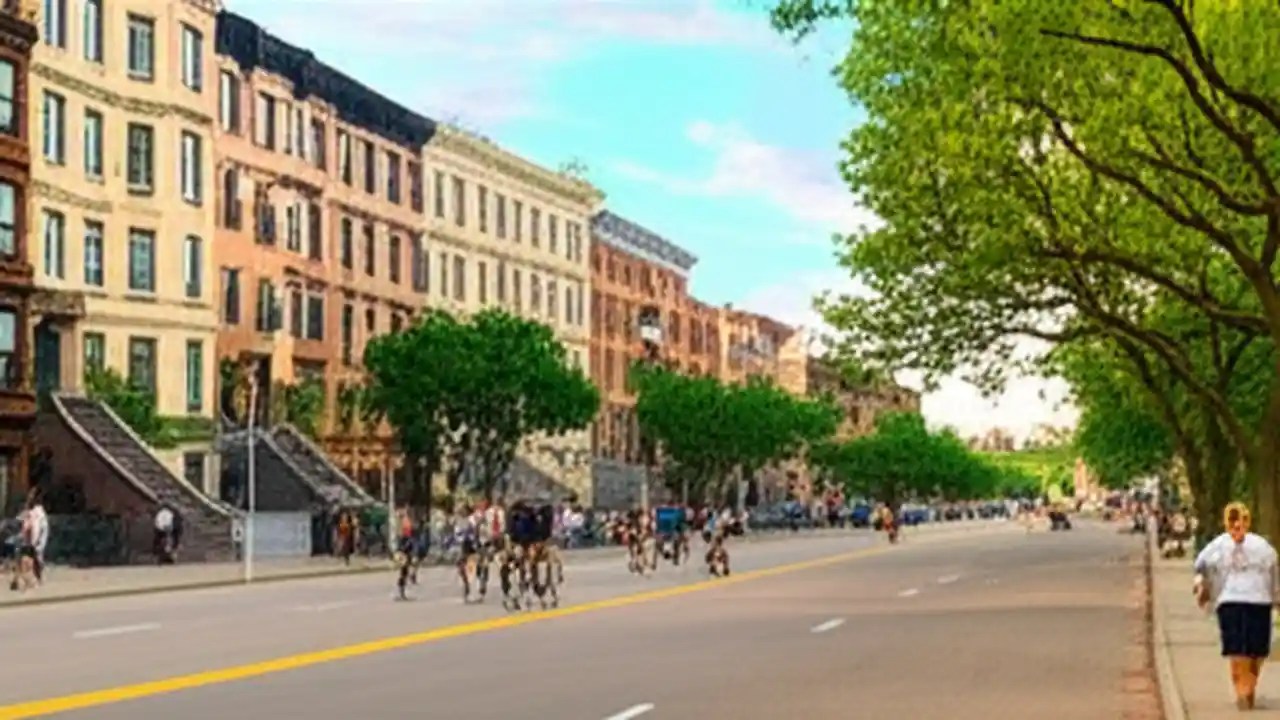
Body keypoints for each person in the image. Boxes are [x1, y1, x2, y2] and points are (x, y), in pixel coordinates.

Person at [1193, 502, 1279, 710]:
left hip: (1259, 600)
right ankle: (1242, 690)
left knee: (1257, 651)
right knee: (1236, 648)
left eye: (1240, 521)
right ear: (1227, 524)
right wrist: (1201, 587)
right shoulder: (1217, 545)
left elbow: (1274, 572)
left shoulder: (1262, 547)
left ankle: (1249, 684)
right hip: (1229, 600)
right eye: (1232, 522)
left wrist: (1276, 597)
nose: (1237, 526)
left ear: (1247, 522)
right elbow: (1201, 566)